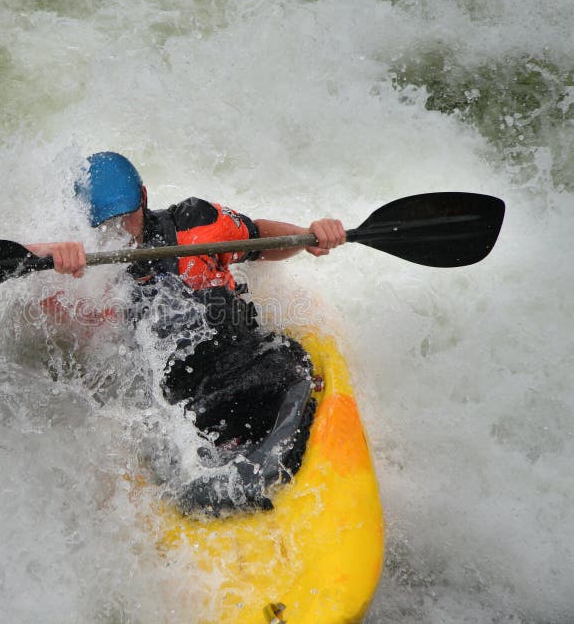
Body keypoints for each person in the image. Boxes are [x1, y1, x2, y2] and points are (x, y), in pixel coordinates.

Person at [26, 151, 345, 450]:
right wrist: (47, 257)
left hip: (246, 355)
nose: (121, 229)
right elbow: (30, 316)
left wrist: (307, 236)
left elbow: (260, 238)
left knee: (283, 365)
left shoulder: (197, 224)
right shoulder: (85, 271)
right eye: (107, 223)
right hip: (175, 403)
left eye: (127, 216)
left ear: (144, 198)